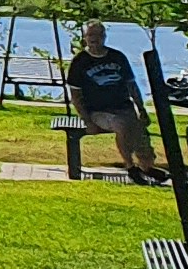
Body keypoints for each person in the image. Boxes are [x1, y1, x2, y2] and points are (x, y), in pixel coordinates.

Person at [65, 21, 161, 181]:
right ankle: (131, 167)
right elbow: (75, 96)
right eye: (90, 36)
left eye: (98, 35)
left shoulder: (117, 57)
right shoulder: (79, 62)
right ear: (85, 38)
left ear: (104, 36)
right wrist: (87, 120)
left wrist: (141, 109)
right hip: (98, 111)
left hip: (124, 107)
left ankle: (147, 167)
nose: (94, 40)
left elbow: (132, 85)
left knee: (139, 128)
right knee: (122, 125)